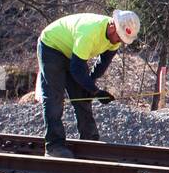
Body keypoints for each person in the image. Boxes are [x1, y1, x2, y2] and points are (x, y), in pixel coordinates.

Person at [37, 10, 140, 157]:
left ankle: (90, 142)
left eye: (123, 39)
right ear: (112, 26)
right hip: (51, 47)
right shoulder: (89, 32)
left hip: (72, 52)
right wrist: (95, 90)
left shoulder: (115, 39)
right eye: (119, 37)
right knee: (54, 98)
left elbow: (102, 64)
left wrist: (90, 86)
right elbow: (77, 68)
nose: (120, 41)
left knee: (83, 96)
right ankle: (54, 146)